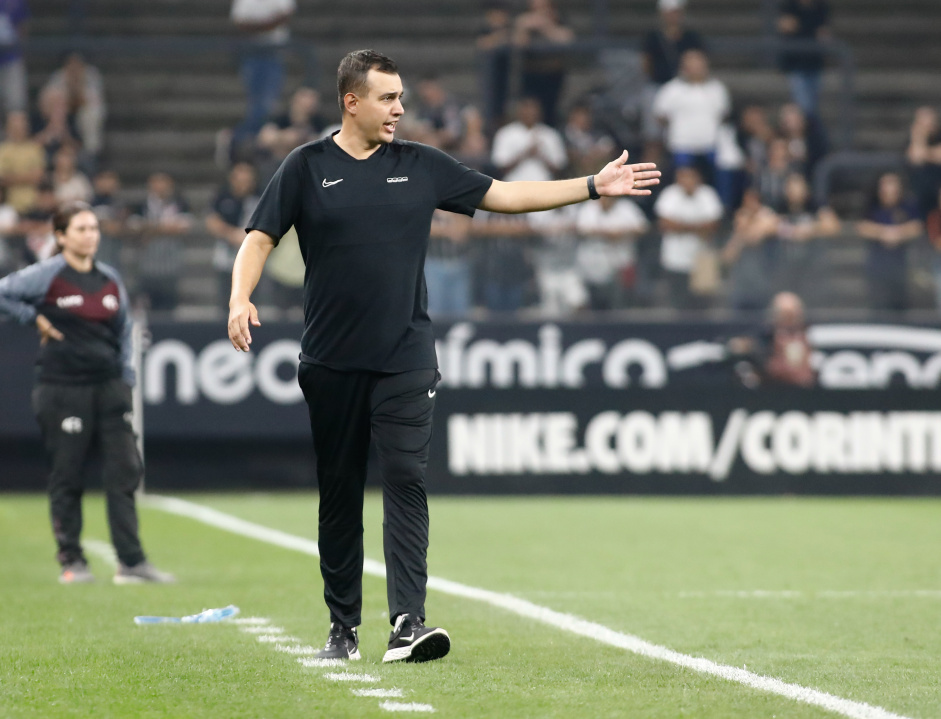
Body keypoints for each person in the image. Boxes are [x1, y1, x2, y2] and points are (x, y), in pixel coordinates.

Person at [226, 49, 659, 664]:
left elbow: (503, 195)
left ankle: (407, 623)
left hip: (406, 356)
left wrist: (591, 186)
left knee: (406, 478)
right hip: (330, 360)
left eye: (401, 97)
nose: (400, 108)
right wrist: (239, 297)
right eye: (387, 98)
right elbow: (259, 236)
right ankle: (342, 629)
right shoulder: (306, 167)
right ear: (351, 101)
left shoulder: (421, 165)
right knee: (340, 490)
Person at [0, 201, 175, 585]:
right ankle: (72, 560)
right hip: (63, 387)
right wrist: (35, 317)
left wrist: (126, 377)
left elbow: (124, 328)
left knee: (125, 470)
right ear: (60, 236)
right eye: (80, 229)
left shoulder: (109, 278)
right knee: (68, 473)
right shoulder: (47, 275)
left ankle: (131, 562)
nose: (89, 235)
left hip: (110, 386)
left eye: (93, 228)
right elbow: (4, 293)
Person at [228, 0, 297, 155]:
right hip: (252, 52)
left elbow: (285, 14)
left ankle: (245, 138)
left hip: (274, 51)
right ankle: (243, 138)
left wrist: (258, 26)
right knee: (255, 100)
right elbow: (239, 21)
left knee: (267, 101)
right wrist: (266, 25)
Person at [652, 49, 730, 185]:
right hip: (682, 145)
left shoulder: (717, 89)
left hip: (709, 145)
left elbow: (723, 114)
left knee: (711, 183)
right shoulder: (672, 89)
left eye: (698, 65)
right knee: (681, 181)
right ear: (683, 67)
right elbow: (660, 115)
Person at [653, 164, 723, 309]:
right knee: (677, 304)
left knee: (703, 304)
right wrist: (697, 227)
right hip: (675, 260)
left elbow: (713, 225)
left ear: (698, 178)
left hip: (702, 260)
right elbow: (664, 224)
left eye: (691, 176)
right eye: (683, 176)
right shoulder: (670, 194)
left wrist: (681, 227)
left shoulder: (707, 194)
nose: (687, 181)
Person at [856, 172, 923, 313]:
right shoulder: (872, 206)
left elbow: (917, 227)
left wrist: (898, 233)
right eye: (886, 184)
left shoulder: (907, 205)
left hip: (901, 264)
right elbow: (862, 227)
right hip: (877, 264)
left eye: (893, 183)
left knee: (900, 304)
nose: (890, 188)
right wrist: (884, 233)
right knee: (877, 304)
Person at [511, 0, 574, 128]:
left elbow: (567, 40)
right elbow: (518, 43)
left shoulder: (558, 18)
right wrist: (524, 27)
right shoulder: (524, 19)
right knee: (529, 109)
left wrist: (546, 26)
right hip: (531, 73)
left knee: (551, 112)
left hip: (553, 74)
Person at [206, 162, 260, 311]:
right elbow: (212, 222)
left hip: (252, 261)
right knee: (226, 300)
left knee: (250, 302)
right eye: (240, 181)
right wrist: (232, 234)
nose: (243, 185)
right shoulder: (222, 197)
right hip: (226, 257)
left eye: (247, 181)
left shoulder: (259, 199)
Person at [40, 52, 107, 158]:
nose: (74, 67)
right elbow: (45, 102)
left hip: (84, 111)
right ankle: (56, 137)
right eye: (71, 64)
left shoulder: (91, 75)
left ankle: (91, 151)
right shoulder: (59, 76)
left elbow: (93, 99)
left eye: (77, 64)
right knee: (57, 102)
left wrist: (76, 91)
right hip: (62, 113)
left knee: (92, 113)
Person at [777, 0, 831, 117]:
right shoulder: (790, 5)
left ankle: (809, 129)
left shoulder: (820, 6)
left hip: (814, 63)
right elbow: (785, 26)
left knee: (811, 105)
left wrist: (800, 27)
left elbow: (824, 35)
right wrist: (811, 31)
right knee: (803, 105)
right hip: (796, 63)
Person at [0, 110, 45, 214]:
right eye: (15, 127)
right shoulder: (2, 150)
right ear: (8, 128)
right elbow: (2, 178)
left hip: (35, 203)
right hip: (8, 205)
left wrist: (13, 177)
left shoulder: (35, 148)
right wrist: (28, 176)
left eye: (21, 126)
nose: (18, 129)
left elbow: (38, 177)